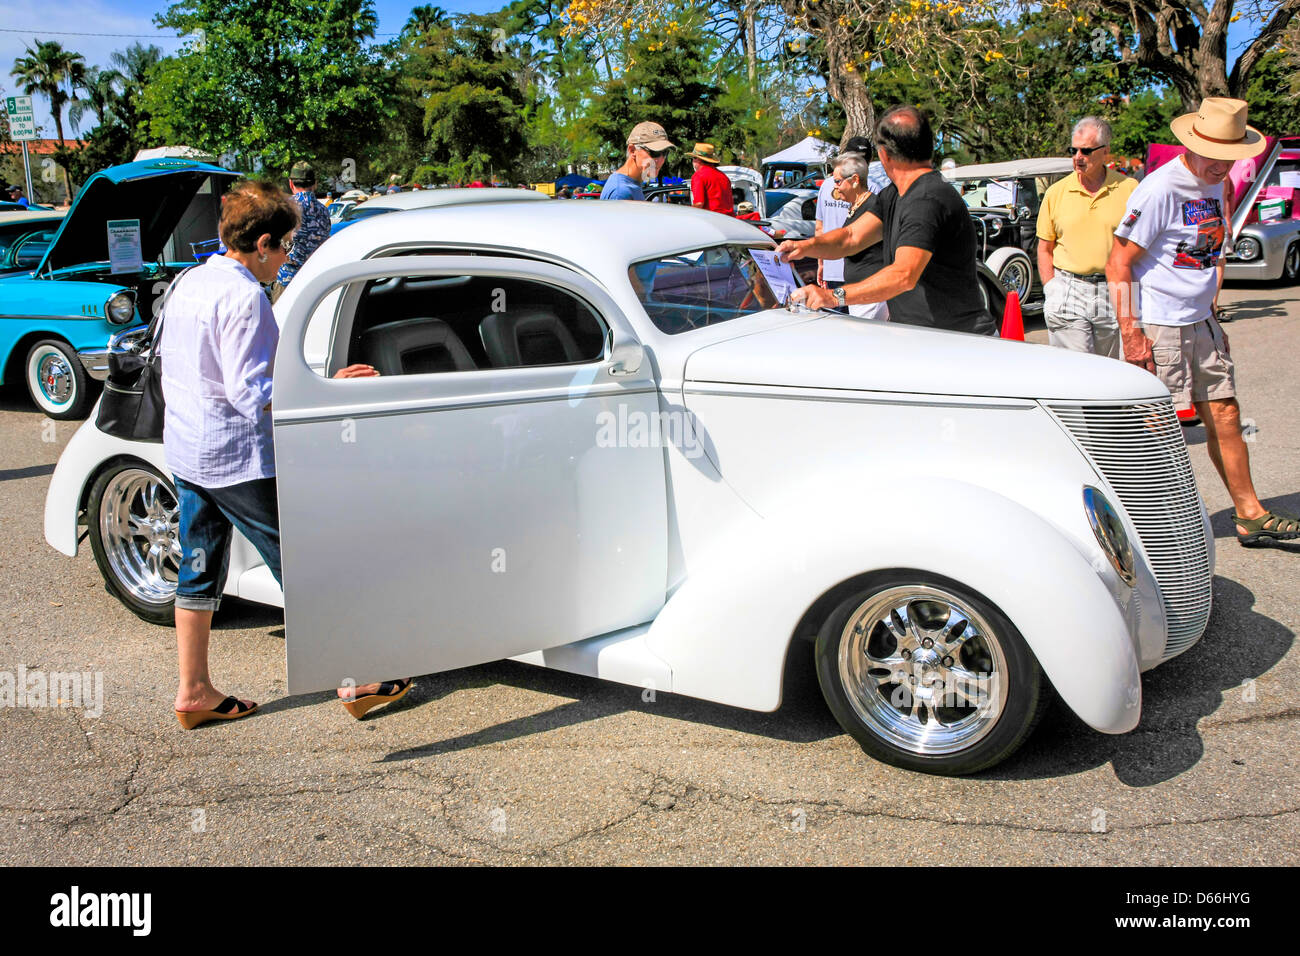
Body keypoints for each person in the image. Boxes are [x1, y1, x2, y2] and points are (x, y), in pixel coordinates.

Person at [163, 180, 411, 729]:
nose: (287, 257)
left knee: (198, 566)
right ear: (264, 243)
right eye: (288, 246)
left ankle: (194, 690)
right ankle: (357, 681)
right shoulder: (245, 296)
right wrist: (324, 386)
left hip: (189, 449)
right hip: (238, 459)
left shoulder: (192, 280)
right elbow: (250, 392)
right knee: (301, 567)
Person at [1106, 97, 1300, 547]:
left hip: (1201, 321)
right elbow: (1118, 263)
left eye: (1231, 157)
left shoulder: (1219, 183)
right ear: (1192, 145)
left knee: (1226, 413)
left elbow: (1210, 251)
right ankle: (1148, 530)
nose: (1222, 166)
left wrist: (1212, 305)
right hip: (1158, 324)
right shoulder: (1160, 189)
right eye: (1215, 155)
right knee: (1155, 433)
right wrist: (1131, 332)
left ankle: (1250, 514)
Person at [781, 105, 994, 334]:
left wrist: (833, 296)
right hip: (926, 337)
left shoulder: (927, 198)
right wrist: (803, 247)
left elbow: (903, 275)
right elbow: (851, 238)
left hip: (957, 341)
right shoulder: (894, 194)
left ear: (884, 154)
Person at [1037, 116, 1138, 358]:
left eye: (1086, 150)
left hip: (1115, 289)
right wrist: (1051, 288)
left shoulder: (1130, 188)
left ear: (1105, 152)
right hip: (1068, 289)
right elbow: (1044, 248)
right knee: (1075, 372)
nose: (1077, 156)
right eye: (1073, 150)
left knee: (1114, 371)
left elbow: (1142, 244)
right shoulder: (1056, 192)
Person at [815, 136, 877, 306]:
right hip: (855, 270)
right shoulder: (871, 188)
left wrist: (821, 263)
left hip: (840, 268)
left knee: (841, 324)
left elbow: (819, 228)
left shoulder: (827, 185)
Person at [269, 161, 331, 303]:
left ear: (291, 183)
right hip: (315, 282)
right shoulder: (324, 211)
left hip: (287, 281)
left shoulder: (284, 209)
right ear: (315, 183)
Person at [600, 121, 675, 201]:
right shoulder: (621, 193)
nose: (661, 160)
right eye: (655, 153)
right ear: (632, 150)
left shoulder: (631, 184)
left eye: (665, 153)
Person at [688, 143, 734, 215]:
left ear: (699, 159)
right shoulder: (723, 176)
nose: (692, 161)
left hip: (711, 220)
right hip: (728, 220)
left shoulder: (698, 176)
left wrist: (686, 213)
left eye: (693, 158)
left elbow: (699, 204)